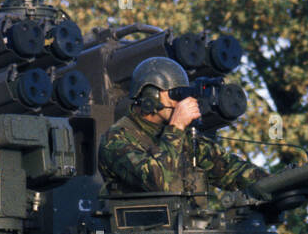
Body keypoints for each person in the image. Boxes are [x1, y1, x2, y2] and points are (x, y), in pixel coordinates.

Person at [99, 57, 266, 196]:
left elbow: (230, 169)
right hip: (140, 233)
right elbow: (159, 183)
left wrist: (279, 183)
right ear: (151, 95)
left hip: (188, 231)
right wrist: (176, 127)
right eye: (174, 95)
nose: (180, 102)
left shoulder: (183, 137)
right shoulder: (116, 140)